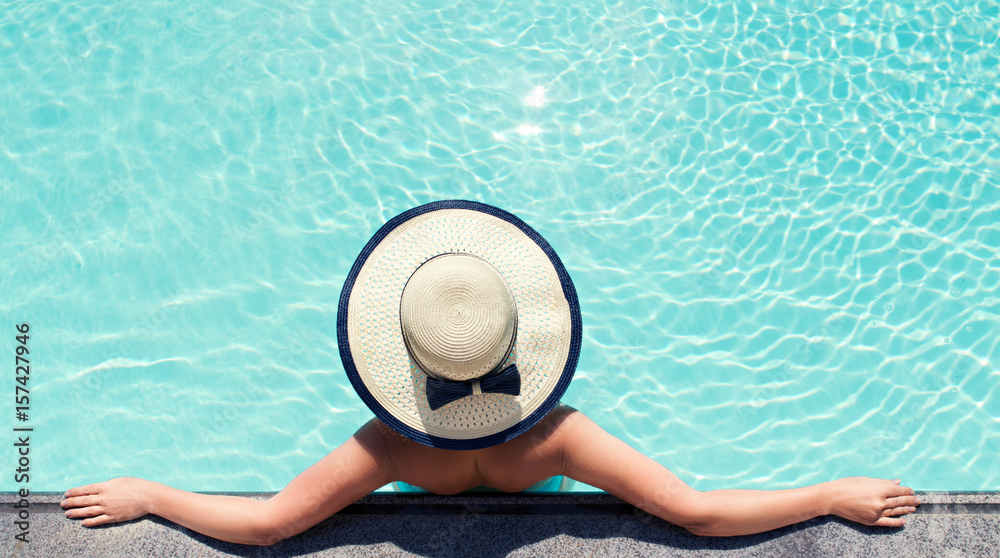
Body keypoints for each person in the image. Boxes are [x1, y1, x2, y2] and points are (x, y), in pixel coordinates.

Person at [63, 200, 921, 545]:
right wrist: (824, 495)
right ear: (522, 346)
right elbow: (694, 512)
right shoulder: (556, 434)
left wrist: (153, 495)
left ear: (400, 359)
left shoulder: (390, 447)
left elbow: (272, 526)